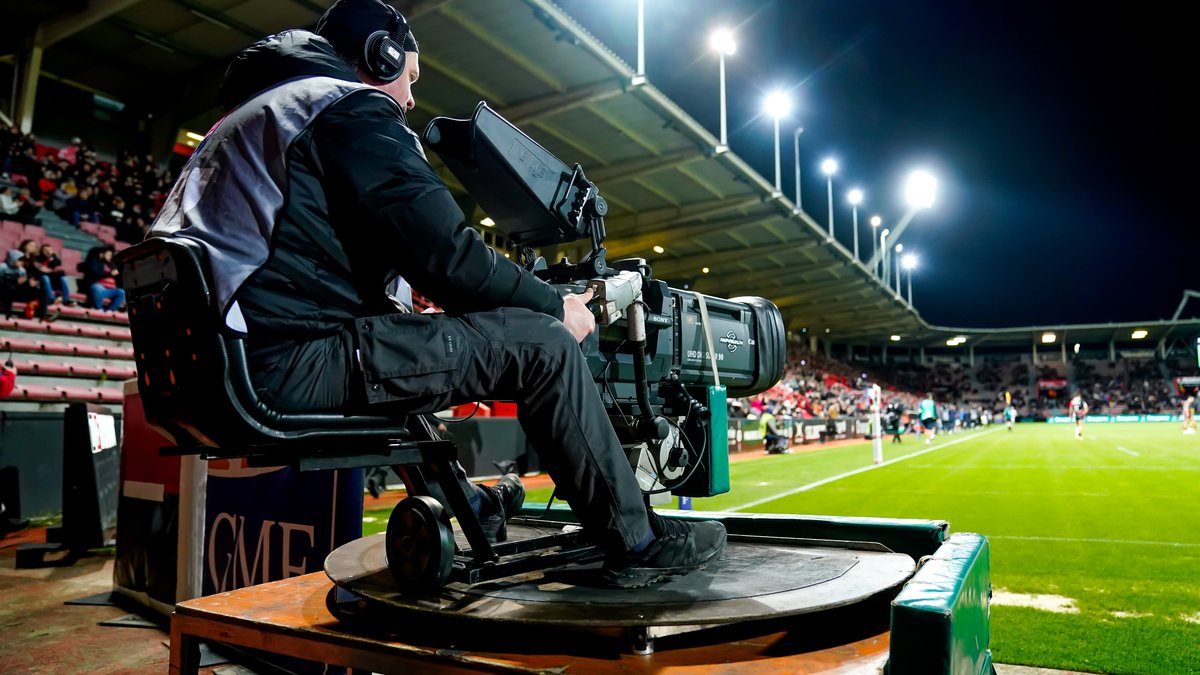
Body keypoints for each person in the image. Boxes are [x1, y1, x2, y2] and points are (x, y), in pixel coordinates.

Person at [146, 0, 725, 589]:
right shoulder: (348, 107)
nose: (412, 100)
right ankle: (639, 544)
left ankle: (471, 509)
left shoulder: (254, 117)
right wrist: (555, 307)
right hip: (280, 363)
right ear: (382, 56)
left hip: (206, 375)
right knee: (543, 344)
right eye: (410, 79)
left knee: (400, 341)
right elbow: (448, 258)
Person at [81, 246, 125, 311]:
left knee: (121, 292)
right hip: (98, 288)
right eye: (108, 254)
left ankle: (110, 310)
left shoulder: (109, 264)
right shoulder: (94, 262)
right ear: (102, 253)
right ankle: (98, 308)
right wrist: (110, 273)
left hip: (109, 289)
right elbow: (96, 275)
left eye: (111, 255)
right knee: (97, 287)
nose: (110, 257)